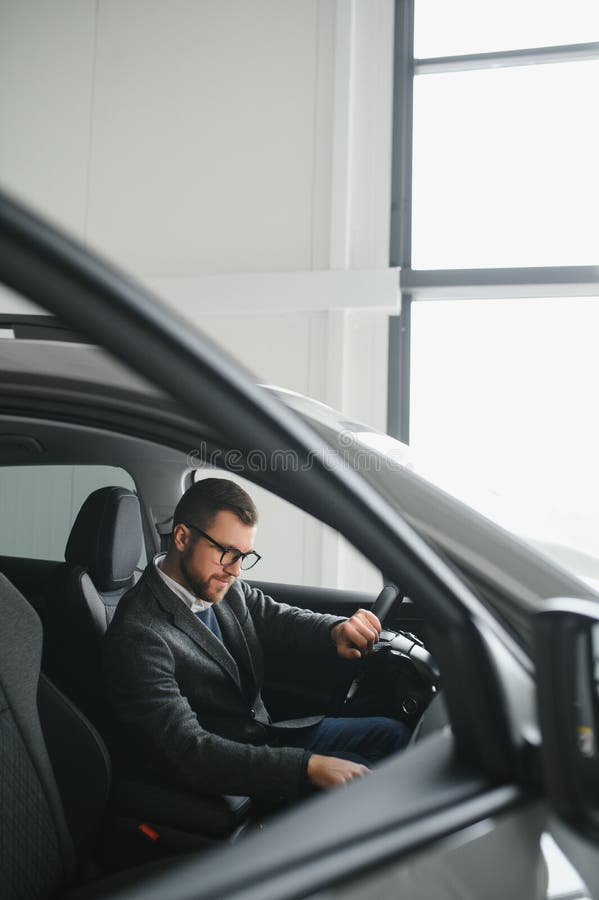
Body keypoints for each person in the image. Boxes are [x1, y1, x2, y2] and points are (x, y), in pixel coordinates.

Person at [102, 478, 409, 801]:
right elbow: (190, 750)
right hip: (232, 769)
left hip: (265, 736)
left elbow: (278, 619)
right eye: (228, 553)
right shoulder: (138, 635)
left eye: (244, 556)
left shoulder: (222, 585)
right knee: (373, 786)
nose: (235, 571)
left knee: (393, 736)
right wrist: (306, 767)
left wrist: (336, 630)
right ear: (182, 537)